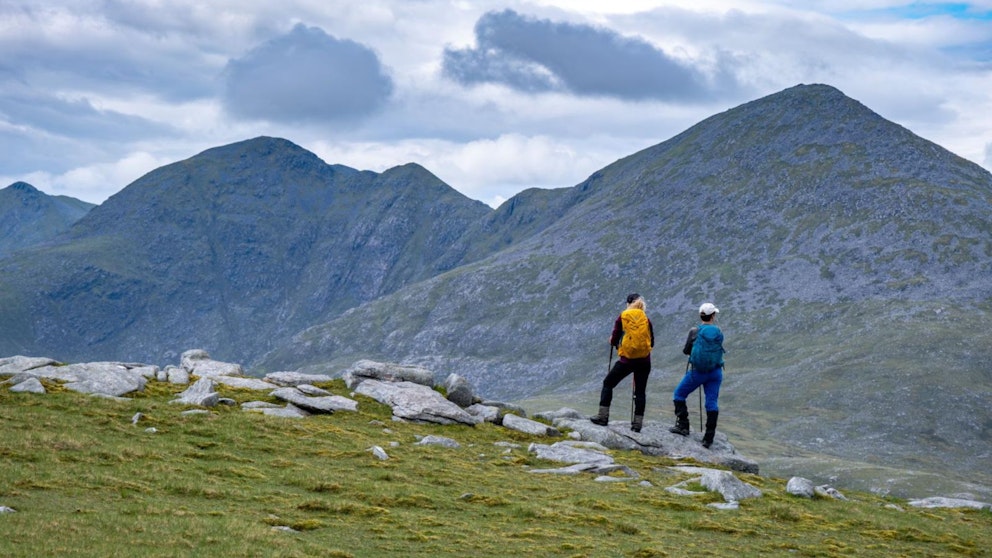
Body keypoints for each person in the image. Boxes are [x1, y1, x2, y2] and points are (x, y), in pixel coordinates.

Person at [590, 293, 654, 432]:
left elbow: (614, 339)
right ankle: (637, 425)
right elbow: (652, 341)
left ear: (628, 303)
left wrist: (613, 342)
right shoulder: (645, 318)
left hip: (627, 360)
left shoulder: (623, 316)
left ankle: (603, 417)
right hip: (644, 361)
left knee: (608, 383)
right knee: (640, 392)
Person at [669, 302, 725, 448]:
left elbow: (686, 350)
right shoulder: (719, 332)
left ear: (701, 315)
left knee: (679, 395)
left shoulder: (695, 331)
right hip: (715, 372)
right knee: (711, 403)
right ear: (713, 315)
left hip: (698, 372)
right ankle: (708, 438)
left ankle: (683, 426)